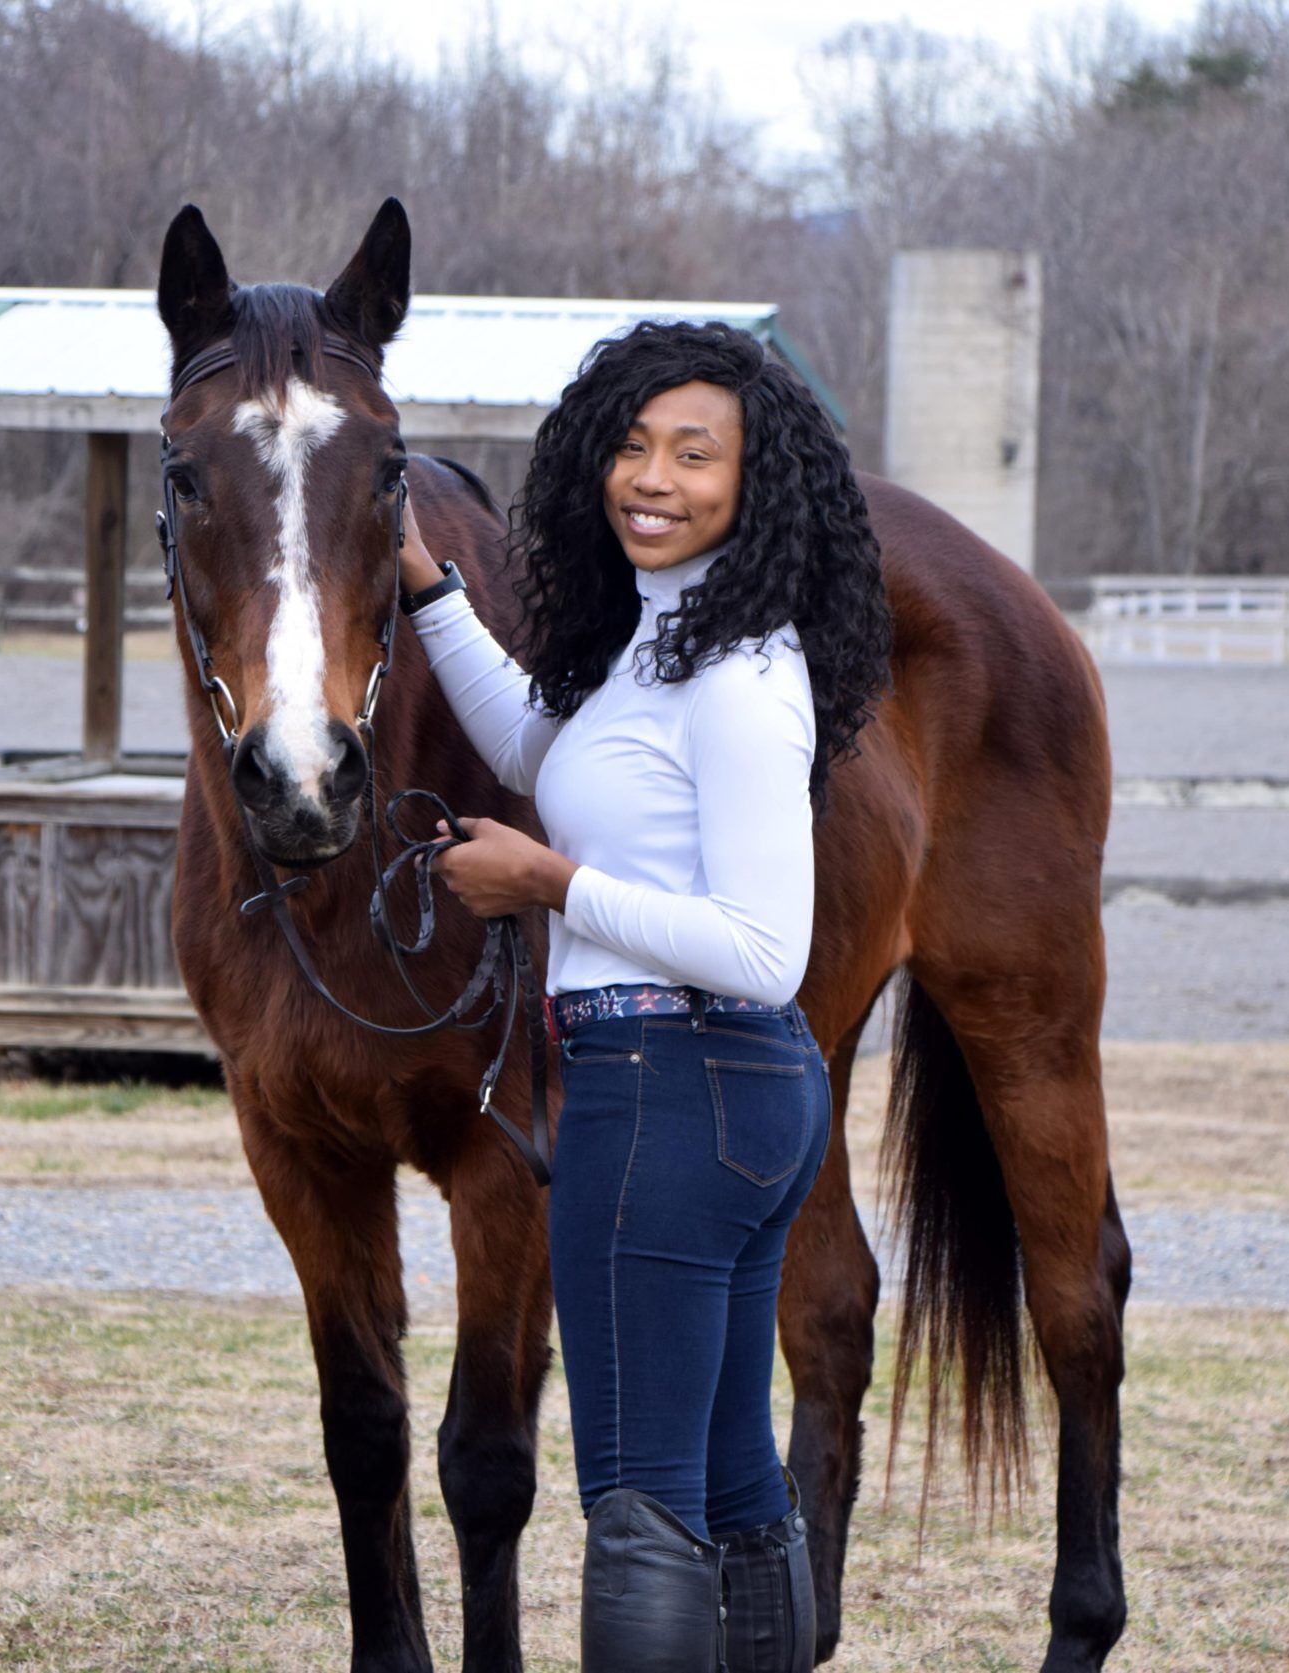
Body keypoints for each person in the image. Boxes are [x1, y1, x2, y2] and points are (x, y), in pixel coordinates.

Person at [396, 319, 891, 1672]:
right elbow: (530, 743)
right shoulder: (656, 645)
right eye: (631, 443)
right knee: (731, 1481)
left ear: (756, 482)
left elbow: (763, 946)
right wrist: (433, 593)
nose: (651, 477)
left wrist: (552, 885)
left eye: (694, 453)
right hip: (719, 1093)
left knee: (638, 1493)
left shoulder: (737, 679)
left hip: (672, 1089)